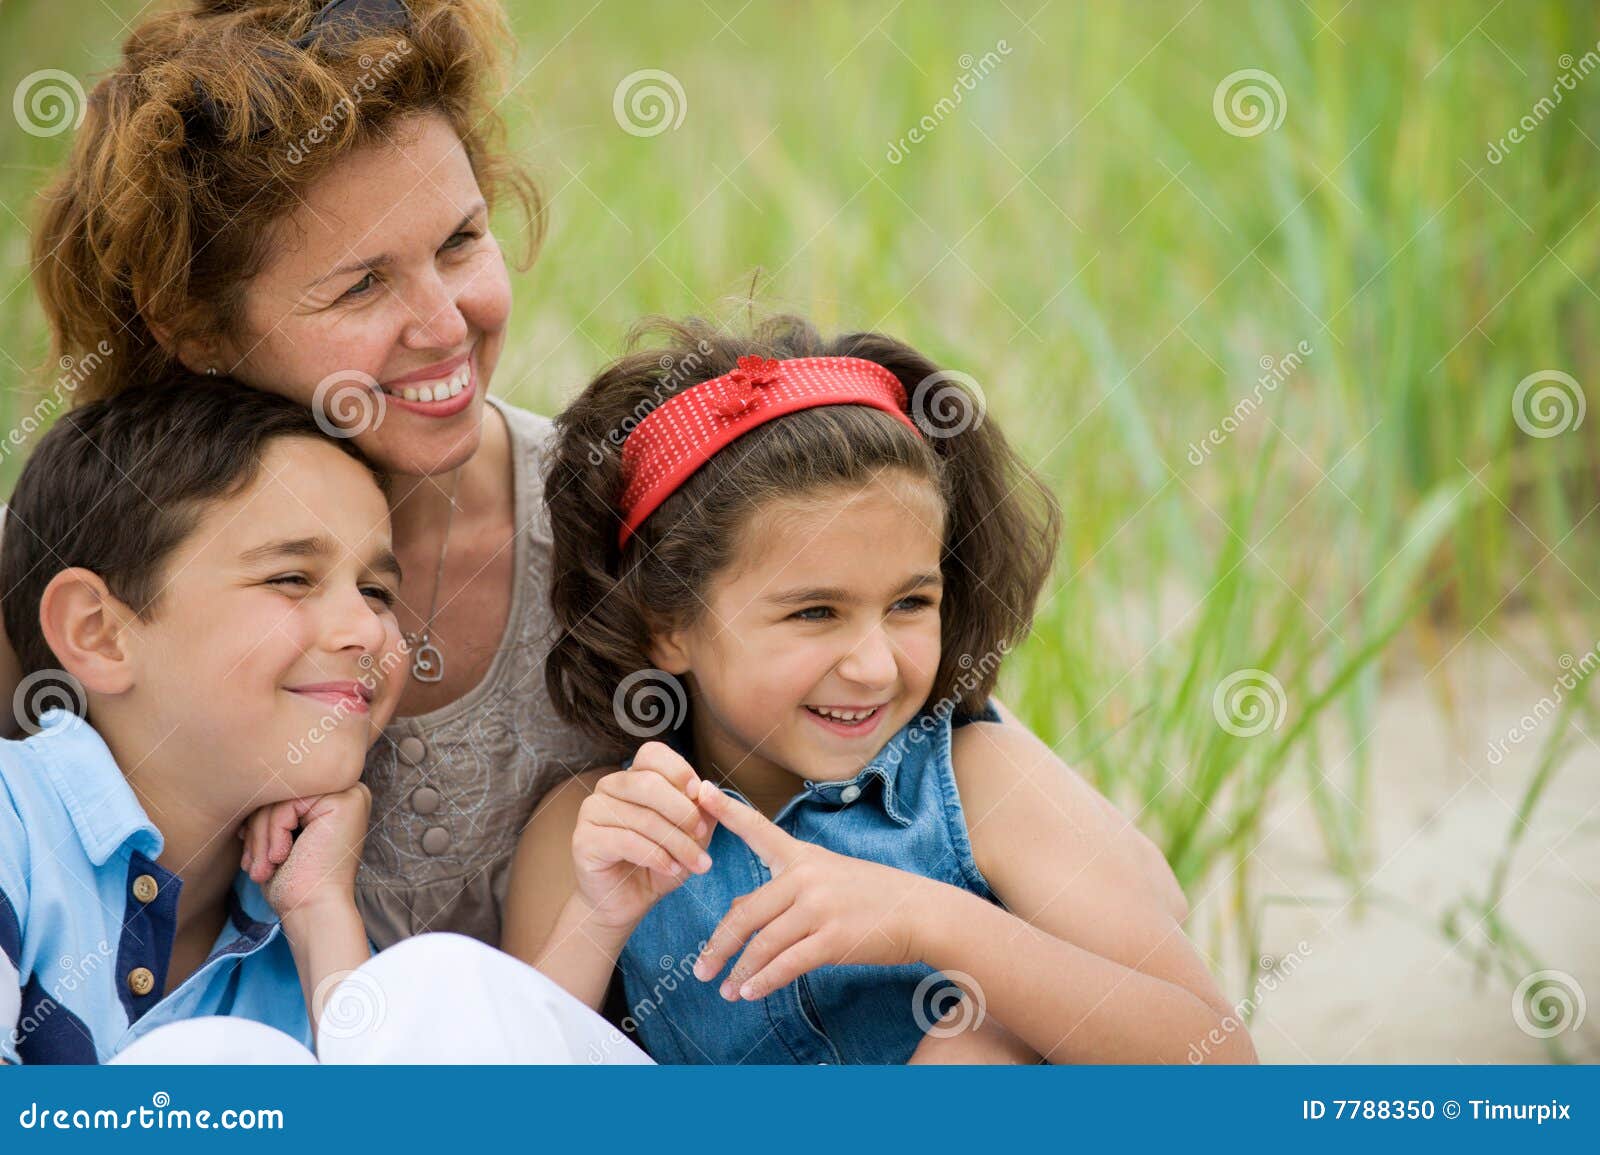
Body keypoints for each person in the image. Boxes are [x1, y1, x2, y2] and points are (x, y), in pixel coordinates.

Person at [12, 0, 1184, 957]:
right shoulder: (104, 555)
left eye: (462, 243)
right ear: (195, 326)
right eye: (361, 285)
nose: (445, 323)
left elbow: (908, 732)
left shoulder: (614, 507)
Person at [503, 317, 1254, 1063]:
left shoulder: (980, 780)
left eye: (909, 604)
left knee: (986, 1032)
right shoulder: (593, 833)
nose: (874, 665)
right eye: (815, 612)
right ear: (668, 625)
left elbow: (1222, 1065)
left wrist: (930, 920)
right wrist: (596, 922)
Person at [0, 379, 402, 1062]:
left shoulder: (310, 947)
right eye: (291, 578)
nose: (367, 627)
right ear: (98, 632)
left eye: (377, 591)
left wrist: (320, 918)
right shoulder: (16, 828)